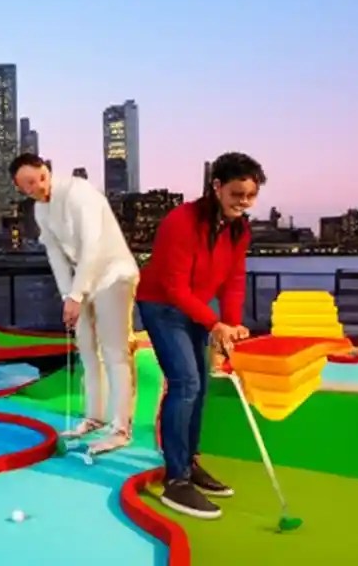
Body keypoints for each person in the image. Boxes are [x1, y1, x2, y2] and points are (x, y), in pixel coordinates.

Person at [136, 151, 265, 519]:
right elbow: (174, 286)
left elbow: (234, 279)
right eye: (237, 194)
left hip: (196, 308)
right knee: (185, 383)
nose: (244, 202)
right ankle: (176, 480)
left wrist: (232, 322)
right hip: (162, 306)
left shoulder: (239, 228)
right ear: (217, 186)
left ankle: (189, 462)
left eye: (250, 196)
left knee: (201, 385)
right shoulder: (181, 221)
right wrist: (214, 324)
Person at [10, 154, 139, 455]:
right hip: (86, 282)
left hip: (114, 275)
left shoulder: (78, 191)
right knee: (86, 350)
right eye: (27, 184)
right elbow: (56, 256)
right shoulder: (41, 211)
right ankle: (94, 417)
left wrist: (76, 295)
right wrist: (68, 296)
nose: (37, 186)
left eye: (39, 177)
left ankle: (121, 428)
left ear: (46, 171)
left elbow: (92, 245)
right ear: (19, 187)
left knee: (115, 352)